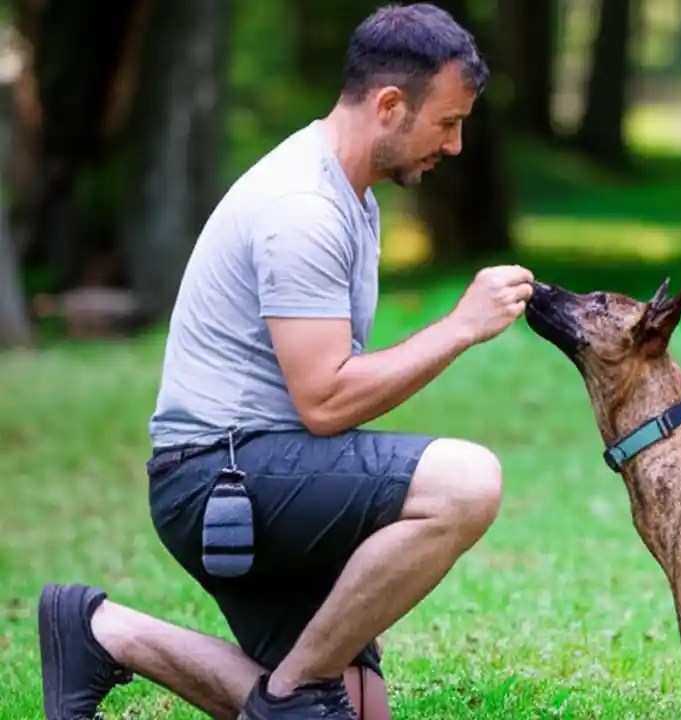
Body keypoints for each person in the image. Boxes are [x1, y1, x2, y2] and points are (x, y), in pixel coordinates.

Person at [36, 4, 534, 719]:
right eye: (448, 123)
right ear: (390, 105)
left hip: (261, 466)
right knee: (468, 482)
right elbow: (325, 402)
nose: (454, 146)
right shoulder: (304, 207)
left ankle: (105, 631)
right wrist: (459, 327)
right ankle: (294, 689)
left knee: (357, 714)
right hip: (219, 477)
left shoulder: (348, 195)